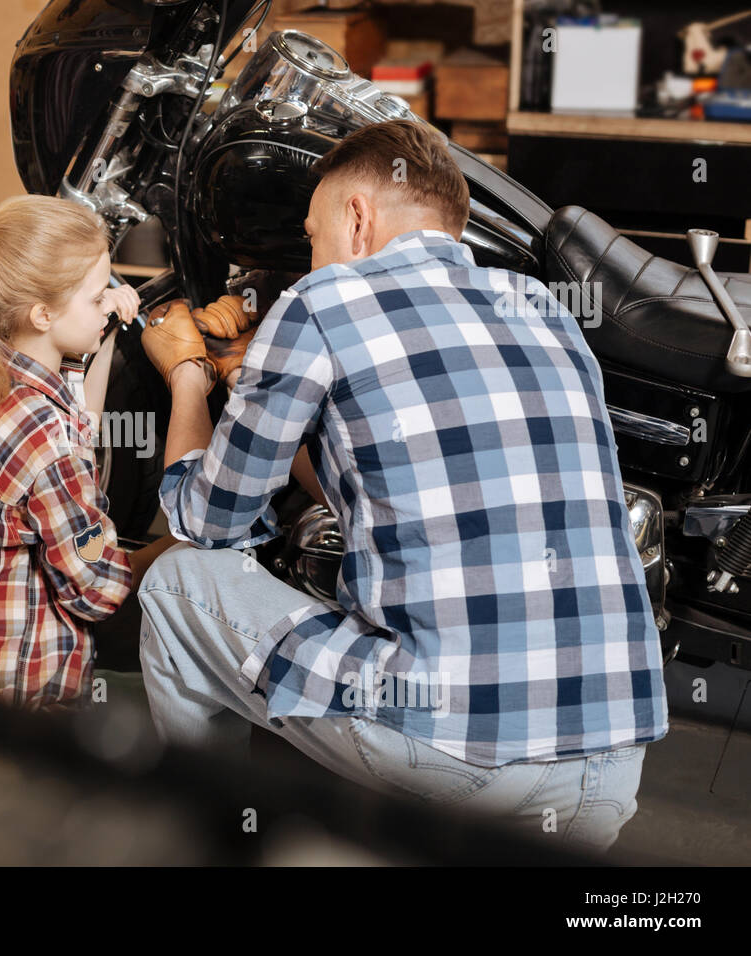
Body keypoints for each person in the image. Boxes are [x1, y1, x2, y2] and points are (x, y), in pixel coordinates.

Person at [136, 120, 669, 853]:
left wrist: (188, 377)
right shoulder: (543, 308)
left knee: (178, 583)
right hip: (612, 758)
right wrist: (254, 380)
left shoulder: (322, 303)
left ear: (357, 219)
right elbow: (395, 491)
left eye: (313, 237)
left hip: (460, 748)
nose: (311, 259)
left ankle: (215, 841)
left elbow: (209, 519)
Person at [0, 195, 177, 710]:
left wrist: (106, 329)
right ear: (43, 313)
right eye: (99, 296)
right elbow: (97, 588)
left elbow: (80, 425)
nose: (109, 304)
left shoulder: (1, 376)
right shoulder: (42, 440)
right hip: (13, 690)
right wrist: (178, 549)